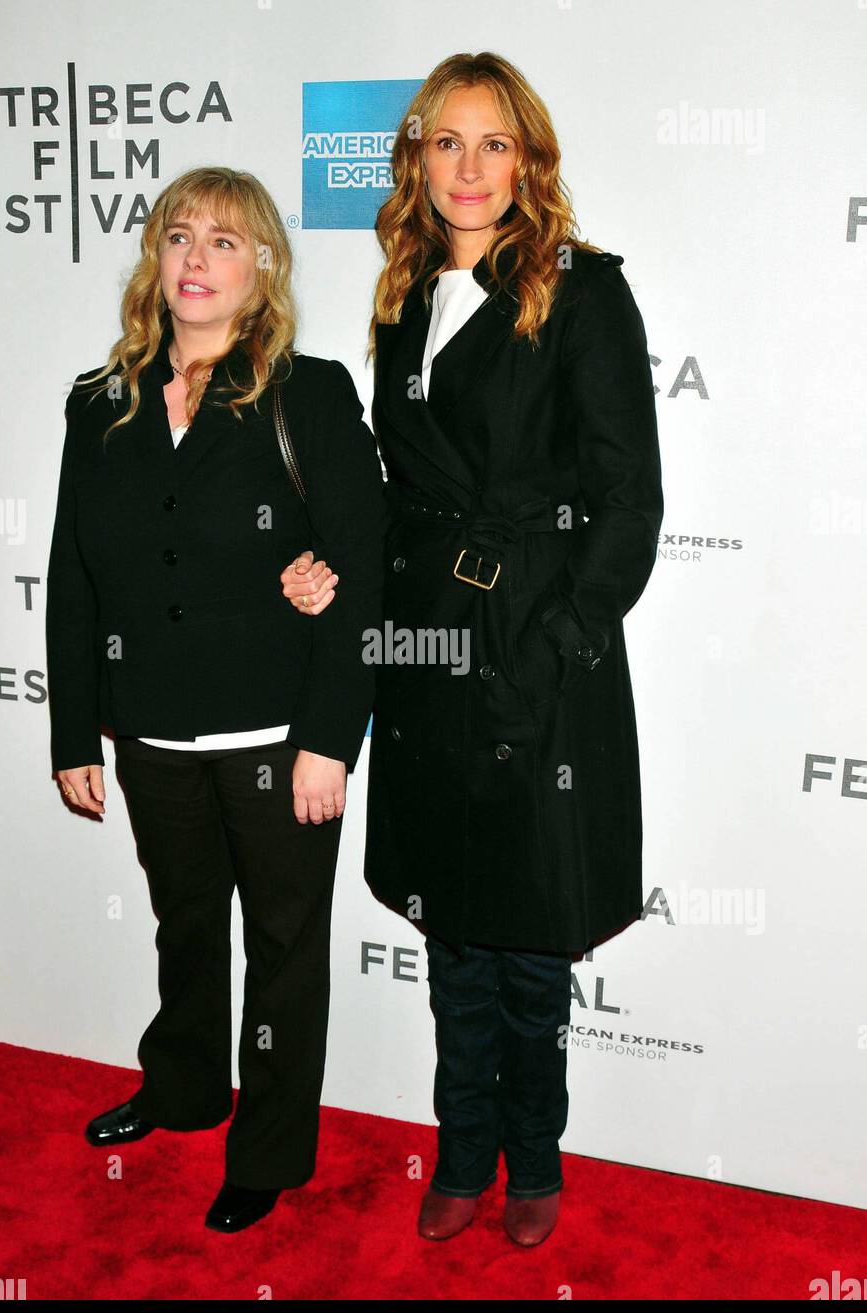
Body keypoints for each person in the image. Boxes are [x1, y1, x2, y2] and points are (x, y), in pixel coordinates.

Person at [281, 53, 663, 1247]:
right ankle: (460, 1147)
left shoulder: (578, 289)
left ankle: (534, 1159)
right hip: (426, 643)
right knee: (455, 915)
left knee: (530, 922)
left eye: (492, 142)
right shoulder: (399, 297)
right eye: (445, 142)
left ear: (527, 158)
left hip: (538, 638)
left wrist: (554, 648)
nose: (468, 167)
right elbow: (396, 490)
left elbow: (628, 501)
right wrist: (327, 567)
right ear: (414, 161)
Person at [45, 166, 387, 1233]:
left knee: (283, 953)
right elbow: (74, 576)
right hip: (149, 728)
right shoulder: (99, 402)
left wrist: (330, 737)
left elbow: (364, 573)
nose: (196, 259)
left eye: (225, 242)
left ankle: (270, 1149)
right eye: (179, 237)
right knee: (182, 926)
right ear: (155, 258)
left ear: (264, 270)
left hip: (277, 736)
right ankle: (184, 1086)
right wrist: (74, 727)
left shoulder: (309, 393)